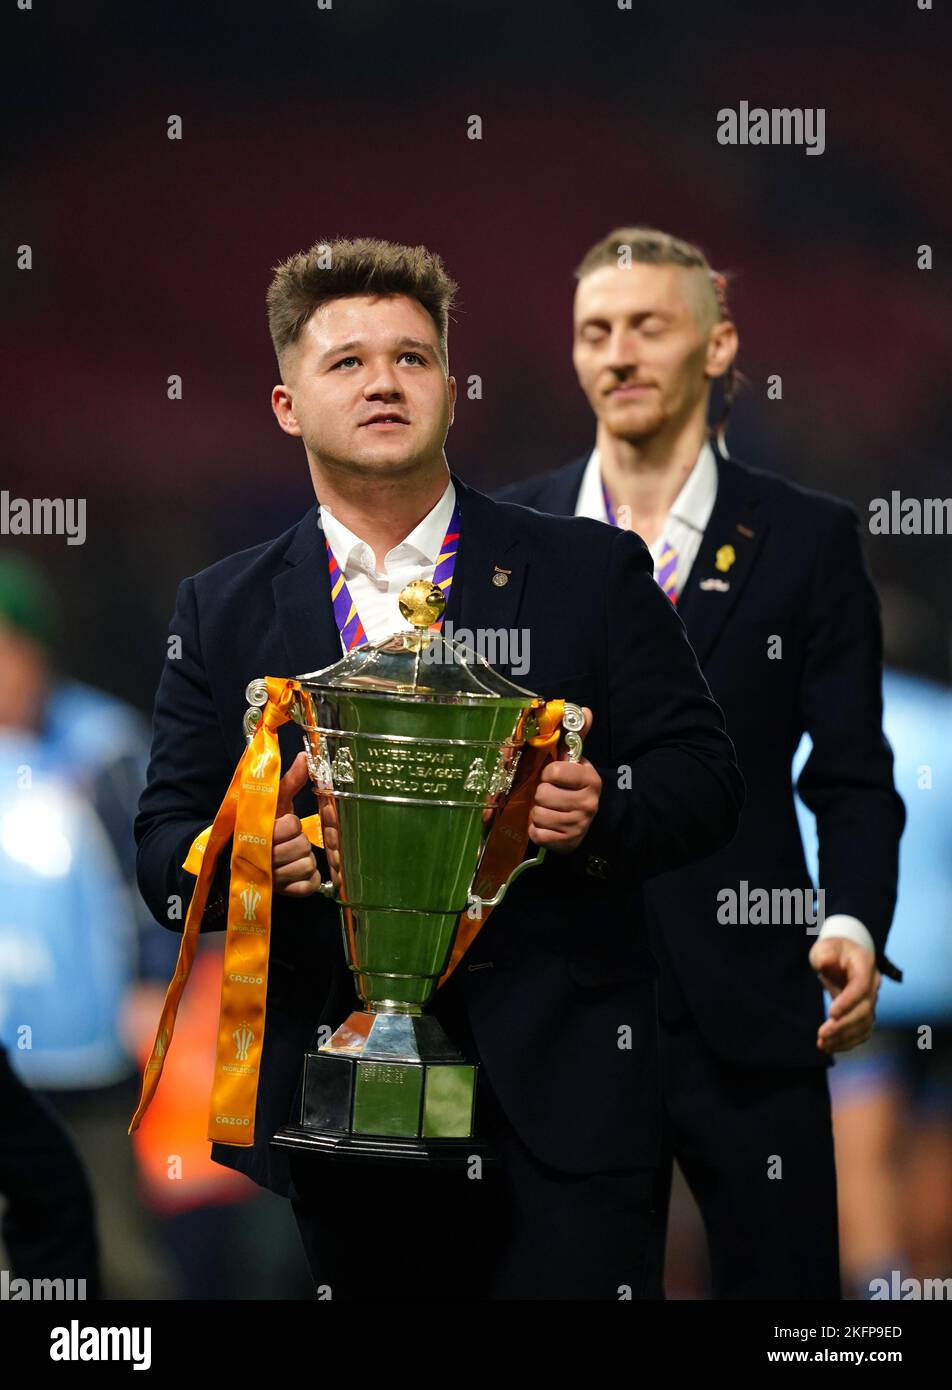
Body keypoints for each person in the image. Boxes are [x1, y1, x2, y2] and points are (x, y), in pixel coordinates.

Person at [133, 235, 743, 1300]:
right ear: (287, 406)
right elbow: (162, 853)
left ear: (451, 391)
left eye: (413, 358)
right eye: (347, 360)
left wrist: (602, 811)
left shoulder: (585, 571)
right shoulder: (222, 608)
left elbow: (705, 778)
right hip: (341, 1119)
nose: (384, 381)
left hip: (566, 1112)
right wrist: (247, 857)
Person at [495, 226, 905, 1299]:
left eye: (647, 327)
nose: (617, 354)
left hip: (752, 1003)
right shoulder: (505, 537)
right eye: (594, 332)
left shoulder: (809, 540)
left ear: (719, 346)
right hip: (556, 1005)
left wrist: (853, 920)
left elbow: (852, 772)